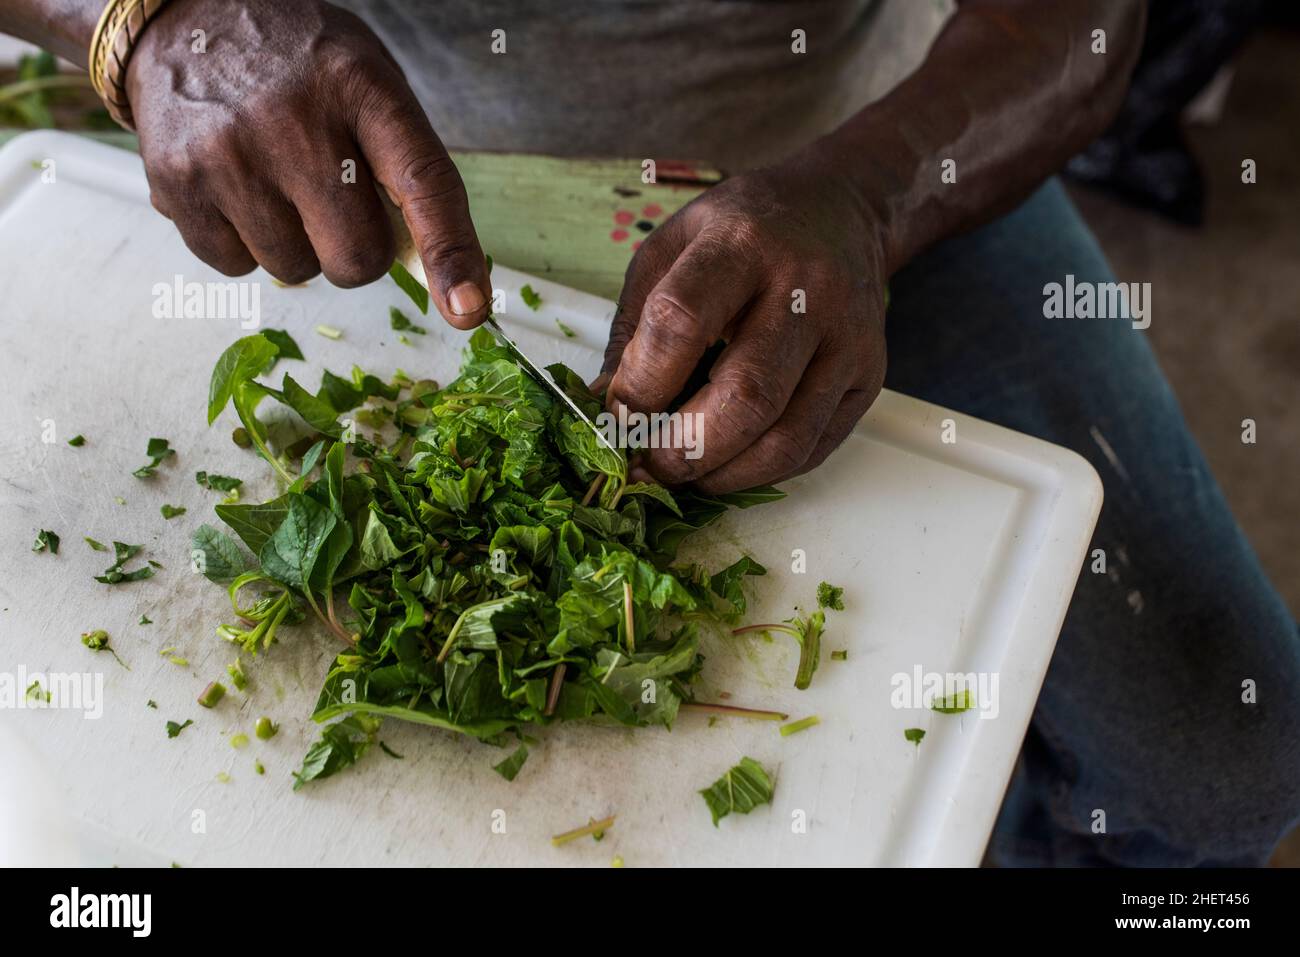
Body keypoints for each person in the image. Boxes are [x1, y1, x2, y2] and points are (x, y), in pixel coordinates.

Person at [4, 0, 1296, 866]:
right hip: (383, 195)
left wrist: (873, 194)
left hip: (869, 167)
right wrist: (136, 24)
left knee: (1227, 775)